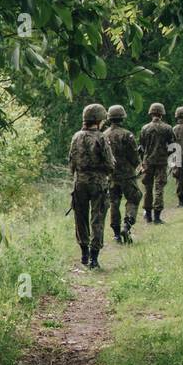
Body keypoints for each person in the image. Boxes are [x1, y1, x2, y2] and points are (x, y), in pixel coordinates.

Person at [68, 103, 114, 269]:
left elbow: (71, 161)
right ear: (98, 119)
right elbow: (110, 164)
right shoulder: (101, 137)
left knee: (80, 218)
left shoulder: (76, 136)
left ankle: (84, 254)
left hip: (79, 182)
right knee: (97, 218)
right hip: (98, 182)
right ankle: (94, 258)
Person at [103, 104, 142, 243]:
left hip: (111, 175)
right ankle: (127, 225)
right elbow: (134, 156)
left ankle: (116, 234)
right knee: (134, 198)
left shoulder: (104, 135)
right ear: (122, 117)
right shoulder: (127, 134)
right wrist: (138, 165)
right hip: (127, 174)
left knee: (114, 202)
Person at [138, 102, 176, 223]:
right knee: (159, 188)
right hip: (161, 162)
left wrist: (142, 161)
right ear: (162, 114)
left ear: (151, 113)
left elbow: (141, 147)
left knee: (147, 189)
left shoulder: (145, 128)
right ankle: (157, 217)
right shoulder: (168, 128)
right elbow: (173, 146)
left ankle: (148, 216)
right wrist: (168, 157)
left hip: (147, 161)